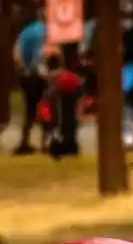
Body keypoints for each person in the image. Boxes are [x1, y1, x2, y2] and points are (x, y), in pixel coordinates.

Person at [12, 12, 47, 155]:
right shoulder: (48, 31)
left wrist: (23, 69)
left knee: (30, 110)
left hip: (26, 76)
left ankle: (24, 141)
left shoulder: (25, 32)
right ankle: (45, 141)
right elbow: (45, 53)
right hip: (43, 75)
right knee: (46, 107)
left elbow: (16, 55)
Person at [46, 53, 83, 158]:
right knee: (70, 119)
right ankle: (71, 144)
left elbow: (52, 92)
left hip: (62, 94)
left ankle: (61, 145)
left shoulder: (53, 75)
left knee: (61, 120)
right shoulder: (67, 74)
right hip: (72, 92)